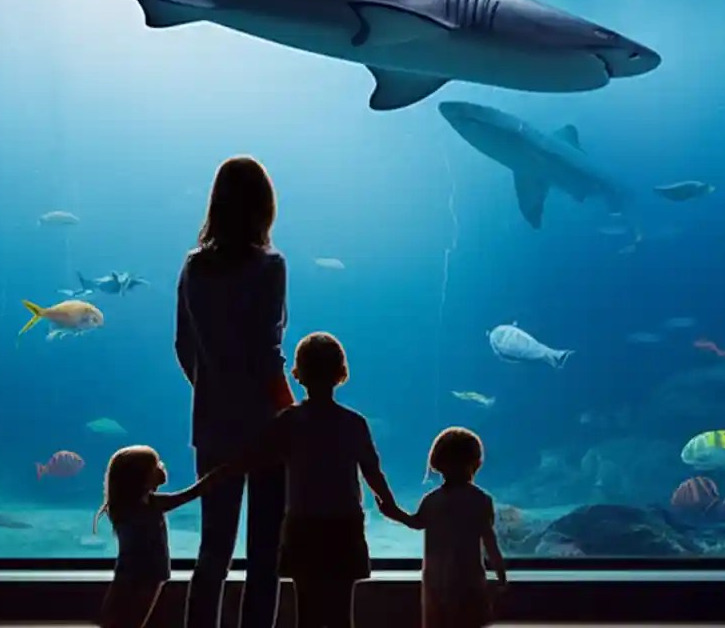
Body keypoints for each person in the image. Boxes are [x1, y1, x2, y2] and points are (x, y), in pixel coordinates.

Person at [176, 155, 294, 628]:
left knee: (213, 549)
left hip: (212, 423)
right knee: (265, 555)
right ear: (265, 206)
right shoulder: (270, 265)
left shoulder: (194, 267)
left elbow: (184, 346)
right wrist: (289, 413)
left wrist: (214, 390)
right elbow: (268, 352)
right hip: (265, 426)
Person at [217, 331, 399, 628]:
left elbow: (252, 460)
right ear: (342, 372)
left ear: (297, 373)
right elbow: (372, 471)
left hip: (303, 524)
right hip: (345, 524)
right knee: (342, 612)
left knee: (307, 612)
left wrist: (212, 477)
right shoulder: (354, 422)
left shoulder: (288, 421)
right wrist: (391, 507)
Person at [379, 427, 508, 628]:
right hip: (470, 580)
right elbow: (489, 540)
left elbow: (416, 523)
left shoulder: (432, 500)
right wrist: (500, 572)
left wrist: (394, 512)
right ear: (476, 463)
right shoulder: (481, 500)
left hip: (436, 581)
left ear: (437, 464)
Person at [95, 445, 214, 628]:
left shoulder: (133, 504)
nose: (161, 468)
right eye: (155, 465)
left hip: (139, 573)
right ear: (139, 477)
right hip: (143, 574)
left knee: (125, 618)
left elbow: (189, 495)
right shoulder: (144, 506)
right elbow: (188, 495)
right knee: (130, 619)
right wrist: (213, 478)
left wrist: (212, 478)